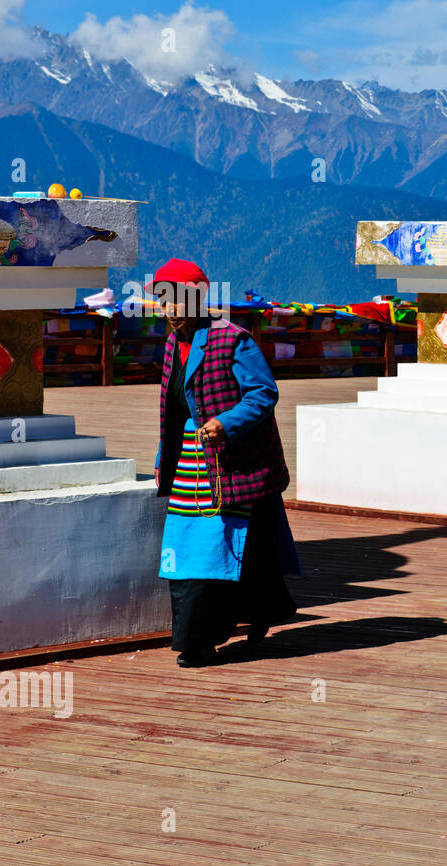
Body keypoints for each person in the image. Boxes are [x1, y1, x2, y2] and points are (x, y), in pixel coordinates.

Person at [152, 258, 299, 667]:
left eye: (176, 300)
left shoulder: (233, 339)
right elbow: (174, 406)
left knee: (220, 548)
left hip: (233, 461)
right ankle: (223, 627)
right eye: (162, 301)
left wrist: (225, 423)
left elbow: (262, 394)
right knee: (193, 549)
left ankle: (201, 641)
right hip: (189, 465)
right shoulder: (171, 344)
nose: (168, 310)